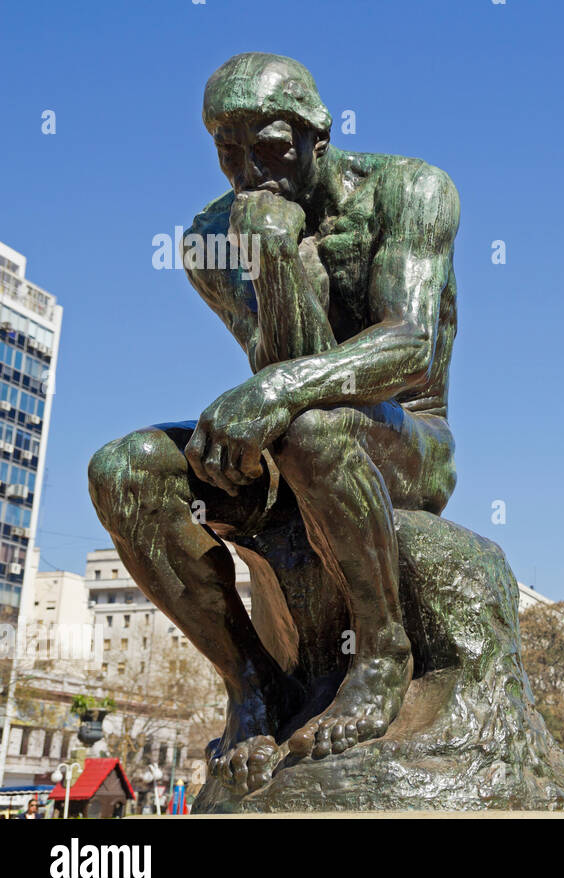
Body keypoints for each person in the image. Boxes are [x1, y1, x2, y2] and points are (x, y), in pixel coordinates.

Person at [89, 53, 460, 795]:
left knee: (310, 426)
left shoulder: (410, 191)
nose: (248, 170)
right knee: (122, 470)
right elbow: (283, 362)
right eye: (228, 150)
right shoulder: (211, 240)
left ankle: (382, 654)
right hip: (294, 441)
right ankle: (254, 687)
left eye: (269, 147)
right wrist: (269, 253)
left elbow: (410, 346)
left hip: (409, 441)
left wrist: (279, 389)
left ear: (318, 136)